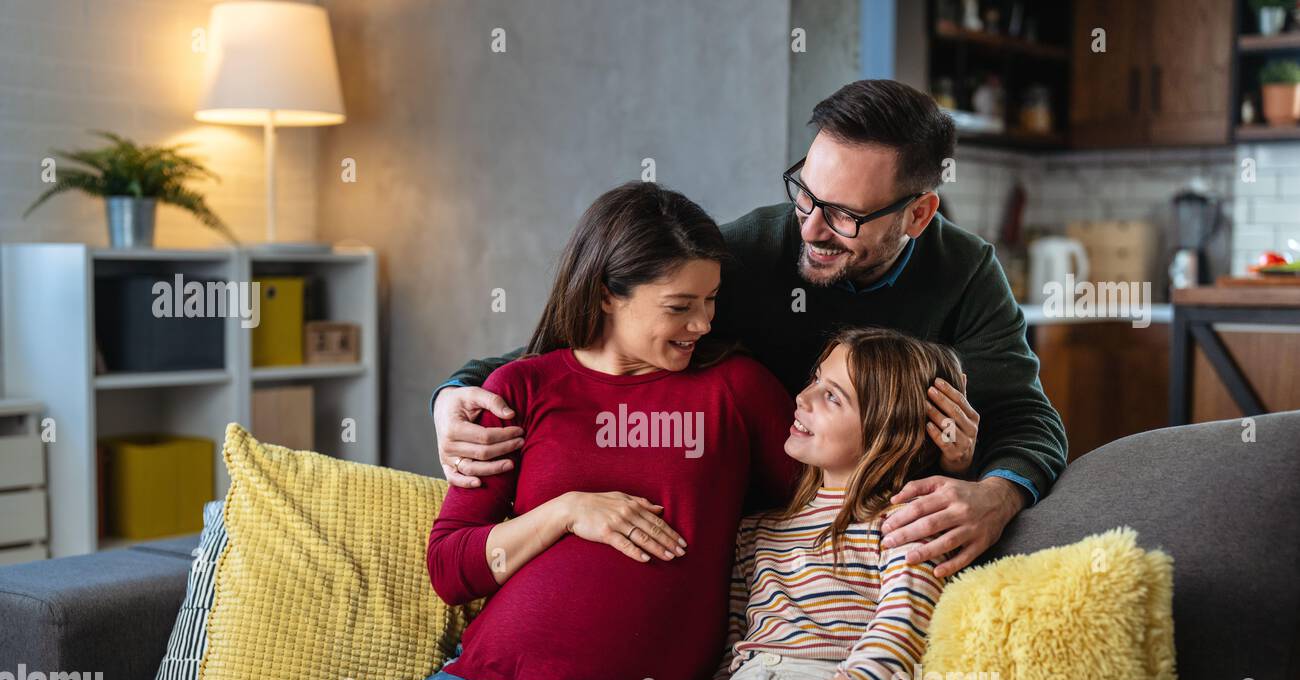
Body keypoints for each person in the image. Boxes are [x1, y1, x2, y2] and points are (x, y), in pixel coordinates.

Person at [304, 181, 895, 680]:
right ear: (609, 293)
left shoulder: (735, 390)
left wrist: (949, 463)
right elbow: (451, 567)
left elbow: (841, 482)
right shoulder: (520, 390)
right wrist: (566, 511)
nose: (702, 324)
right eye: (680, 306)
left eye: (710, 302)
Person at [431, 78, 1064, 579]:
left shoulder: (969, 273)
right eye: (805, 194)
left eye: (844, 216)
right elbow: (584, 340)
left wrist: (998, 493)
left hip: (873, 543)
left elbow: (1026, 418)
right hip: (750, 543)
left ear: (919, 214)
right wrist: (454, 396)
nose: (811, 229)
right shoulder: (750, 252)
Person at [514, 327, 960, 680]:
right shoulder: (758, 532)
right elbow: (736, 659)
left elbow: (883, 677)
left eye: (832, 396)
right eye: (815, 382)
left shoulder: (909, 527)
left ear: (888, 431)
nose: (802, 399)